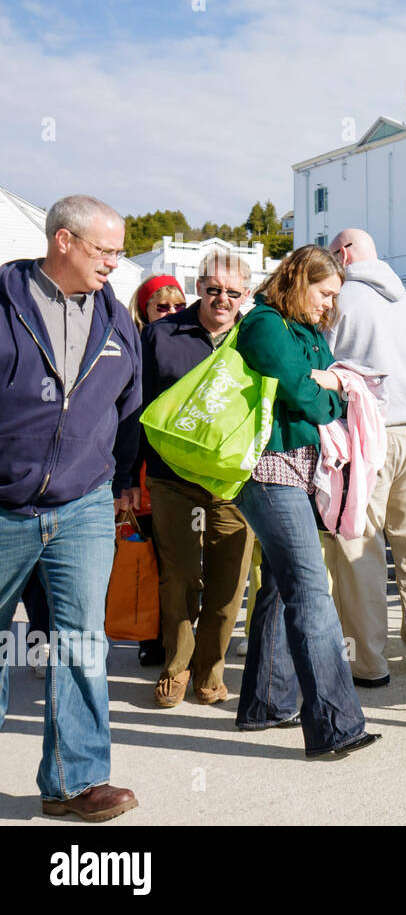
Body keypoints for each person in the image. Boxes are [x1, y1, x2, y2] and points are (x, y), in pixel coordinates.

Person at [0, 194, 142, 821]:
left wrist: (118, 479)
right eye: (104, 250)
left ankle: (75, 782)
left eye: (118, 250)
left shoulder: (115, 320)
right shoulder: (3, 303)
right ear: (63, 241)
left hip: (82, 504)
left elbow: (129, 407)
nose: (114, 261)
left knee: (82, 641)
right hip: (3, 504)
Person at [232, 245, 378, 757]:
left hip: (297, 472)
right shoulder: (266, 325)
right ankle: (335, 726)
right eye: (324, 293)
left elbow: (329, 390)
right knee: (312, 592)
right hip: (270, 472)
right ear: (298, 281)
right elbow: (306, 394)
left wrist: (329, 389)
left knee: (280, 587)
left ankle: (265, 706)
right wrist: (328, 389)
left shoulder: (306, 329)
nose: (329, 305)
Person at [323, 228, 406, 689]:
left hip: (370, 433)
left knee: (359, 542)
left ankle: (367, 661)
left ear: (343, 255)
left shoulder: (341, 299)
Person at [137, 252, 255, 707]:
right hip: (172, 479)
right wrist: (128, 475)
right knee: (181, 577)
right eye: (213, 290)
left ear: (245, 294)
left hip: (232, 481)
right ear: (199, 286)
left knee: (228, 583)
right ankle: (176, 666)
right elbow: (134, 408)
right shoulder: (160, 335)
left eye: (232, 292)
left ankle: (210, 672)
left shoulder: (256, 337)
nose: (221, 299)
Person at [126, 273, 187, 666]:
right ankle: (149, 635)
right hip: (143, 465)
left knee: (176, 560)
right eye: (161, 306)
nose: (170, 313)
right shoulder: (135, 345)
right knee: (146, 559)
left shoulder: (189, 344)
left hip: (177, 465)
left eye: (178, 306)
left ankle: (176, 634)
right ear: (144, 310)